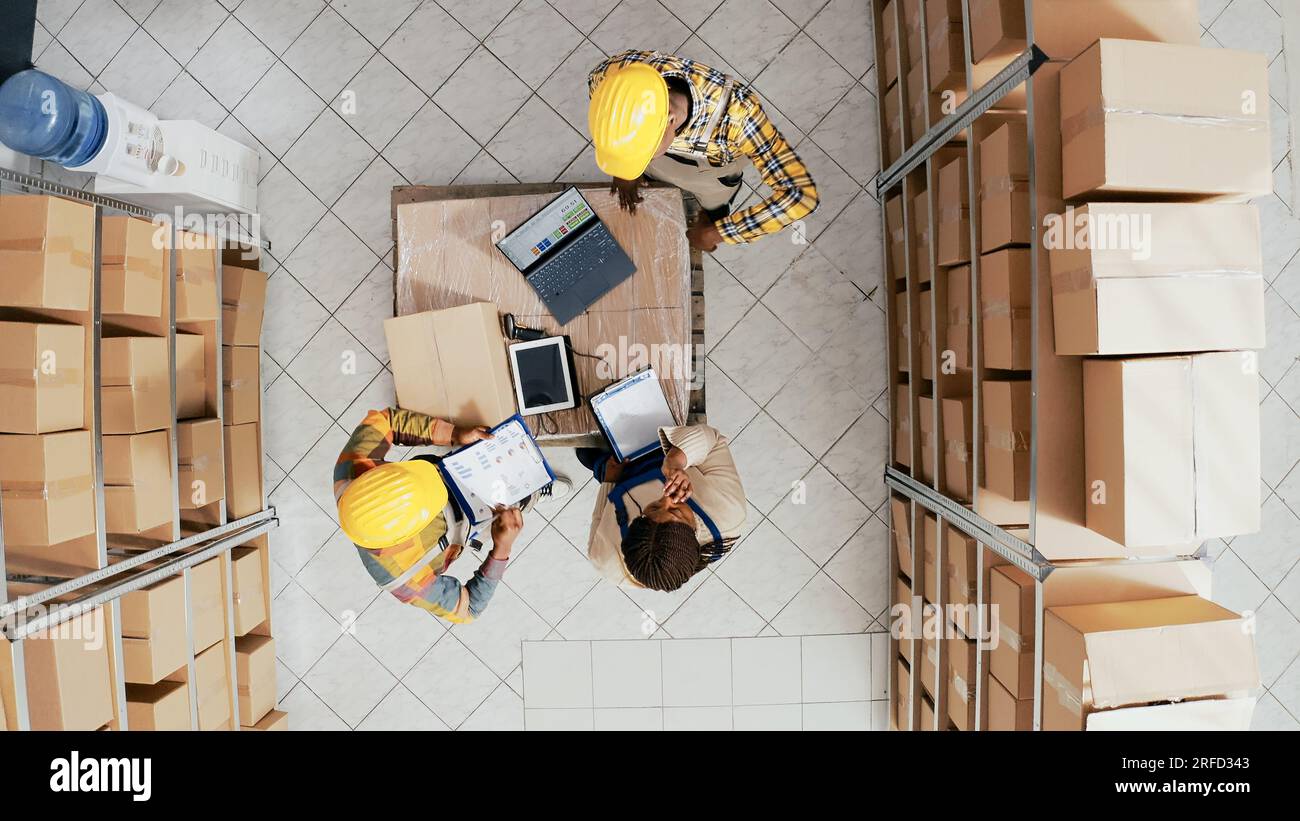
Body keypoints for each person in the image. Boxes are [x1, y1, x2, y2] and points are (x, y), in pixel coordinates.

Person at [587, 50, 818, 252]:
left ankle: (712, 213)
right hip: (669, 155)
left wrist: (715, 233)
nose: (645, 156)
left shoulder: (739, 118)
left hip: (713, 170)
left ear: (670, 120)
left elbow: (801, 196)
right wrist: (627, 170)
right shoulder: (612, 76)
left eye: (645, 151)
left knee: (715, 205)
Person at [334, 408, 530, 623]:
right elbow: (470, 609)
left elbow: (387, 421)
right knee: (524, 498)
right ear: (409, 533)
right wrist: (502, 548)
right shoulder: (404, 579)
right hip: (473, 520)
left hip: (459, 468)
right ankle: (535, 496)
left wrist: (454, 434)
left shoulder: (353, 472)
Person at [582, 424, 746, 591]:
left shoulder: (607, 561)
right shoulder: (728, 511)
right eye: (675, 510)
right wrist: (676, 461)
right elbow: (713, 439)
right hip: (670, 442)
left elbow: (600, 520)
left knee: (584, 450)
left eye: (653, 507)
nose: (666, 497)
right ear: (694, 534)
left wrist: (609, 480)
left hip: (616, 468)